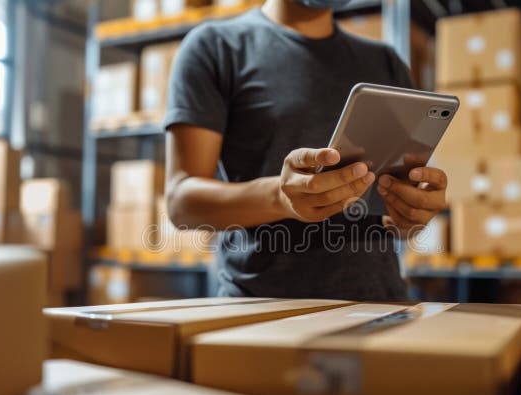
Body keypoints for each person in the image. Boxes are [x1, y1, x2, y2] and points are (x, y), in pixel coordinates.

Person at [163, 0, 448, 300]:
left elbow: (391, 217)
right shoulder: (216, 47)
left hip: (379, 304)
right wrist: (279, 197)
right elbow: (181, 203)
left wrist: (410, 213)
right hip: (263, 309)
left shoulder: (386, 63)